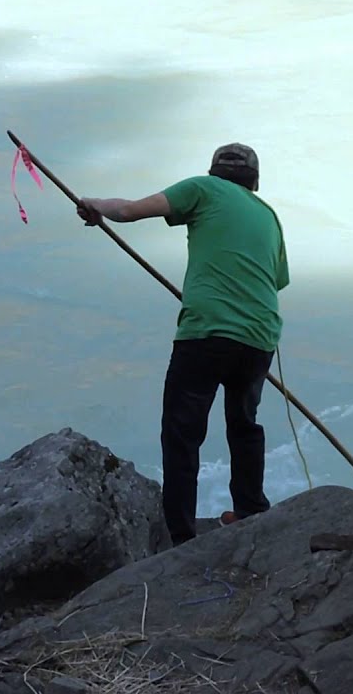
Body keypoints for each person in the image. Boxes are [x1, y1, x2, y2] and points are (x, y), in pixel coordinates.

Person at [77, 143, 290, 545]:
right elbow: (276, 280)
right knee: (244, 425)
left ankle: (181, 538)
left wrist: (94, 204)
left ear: (214, 173)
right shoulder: (269, 216)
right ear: (254, 182)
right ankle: (250, 511)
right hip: (260, 336)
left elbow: (129, 211)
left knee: (182, 434)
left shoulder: (202, 189)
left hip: (207, 331)